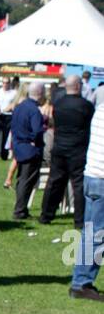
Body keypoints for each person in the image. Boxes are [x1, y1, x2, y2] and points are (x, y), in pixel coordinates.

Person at [39, 75, 94, 227]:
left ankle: (46, 215)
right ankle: (79, 220)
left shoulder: (58, 104)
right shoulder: (86, 106)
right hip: (78, 150)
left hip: (59, 147)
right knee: (78, 185)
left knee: (54, 182)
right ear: (77, 86)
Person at [69, 85, 104, 301]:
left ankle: (81, 280)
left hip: (92, 175)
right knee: (96, 235)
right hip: (100, 177)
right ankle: (81, 282)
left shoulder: (99, 110)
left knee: (92, 233)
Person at [10, 80, 45, 219]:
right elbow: (37, 131)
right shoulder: (34, 110)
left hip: (19, 145)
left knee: (22, 179)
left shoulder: (19, 107)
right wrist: (32, 139)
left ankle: (21, 208)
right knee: (27, 180)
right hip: (30, 148)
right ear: (40, 93)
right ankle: (20, 210)